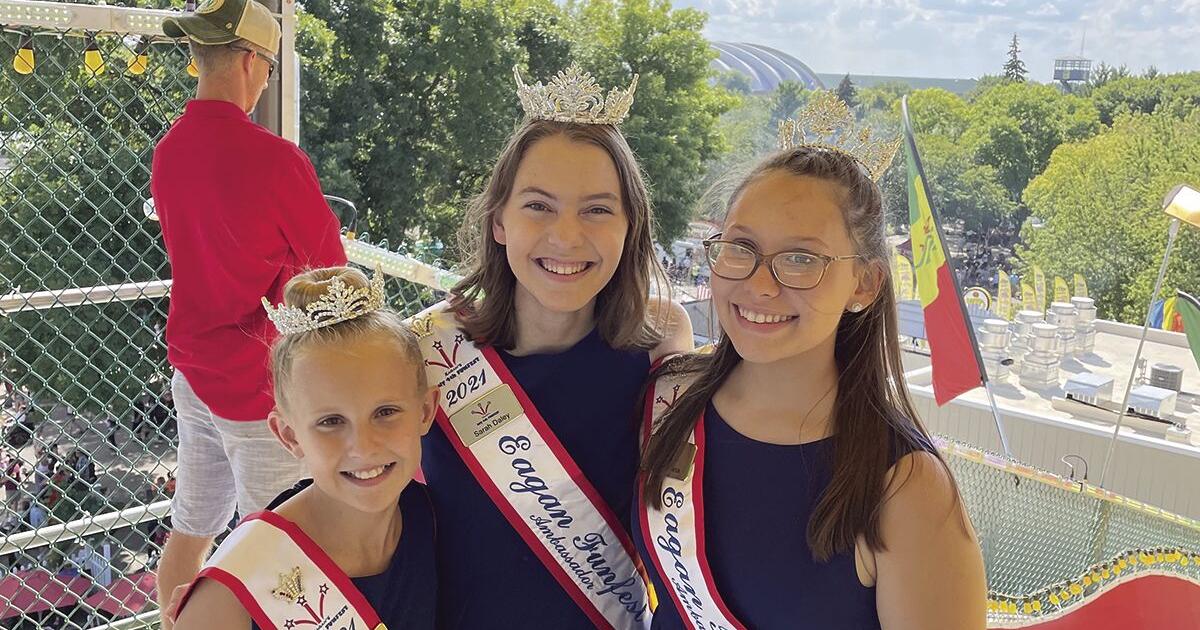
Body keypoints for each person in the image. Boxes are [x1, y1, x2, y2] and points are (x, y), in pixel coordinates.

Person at [635, 95, 987, 629]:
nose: (758, 284)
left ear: (865, 284)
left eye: (801, 259)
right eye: (740, 247)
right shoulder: (669, 400)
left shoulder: (905, 489)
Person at [415, 64, 692, 628]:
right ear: (499, 222)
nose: (567, 236)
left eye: (597, 209)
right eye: (538, 205)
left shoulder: (661, 339)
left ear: (630, 226)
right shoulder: (428, 347)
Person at [151, 0, 347, 623]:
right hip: (257, 389)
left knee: (192, 529)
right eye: (266, 65)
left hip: (193, 372)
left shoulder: (169, 152)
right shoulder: (276, 161)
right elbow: (333, 279)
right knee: (287, 551)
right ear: (247, 62)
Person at [172, 267, 437, 629]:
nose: (362, 446)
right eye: (331, 422)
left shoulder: (437, 524)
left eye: (386, 412)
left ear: (425, 411)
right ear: (289, 436)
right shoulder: (232, 596)